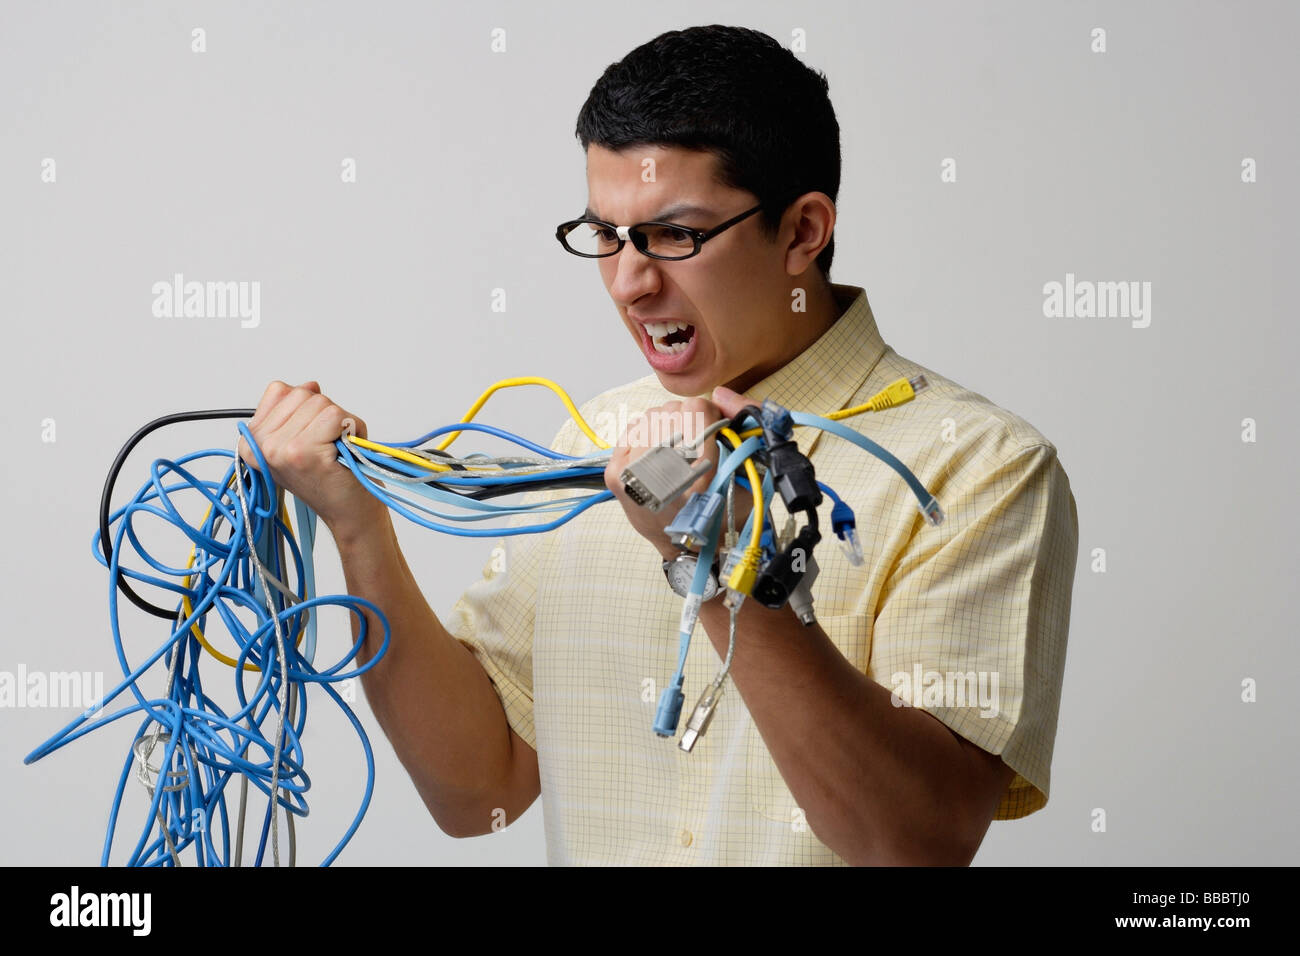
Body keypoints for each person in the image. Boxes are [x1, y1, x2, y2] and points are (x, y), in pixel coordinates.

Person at [238, 24, 1079, 865]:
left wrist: (717, 562)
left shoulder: (977, 468)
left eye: (675, 235)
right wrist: (359, 528)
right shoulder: (594, 439)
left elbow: (914, 845)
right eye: (605, 234)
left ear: (802, 231)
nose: (629, 283)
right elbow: (478, 792)